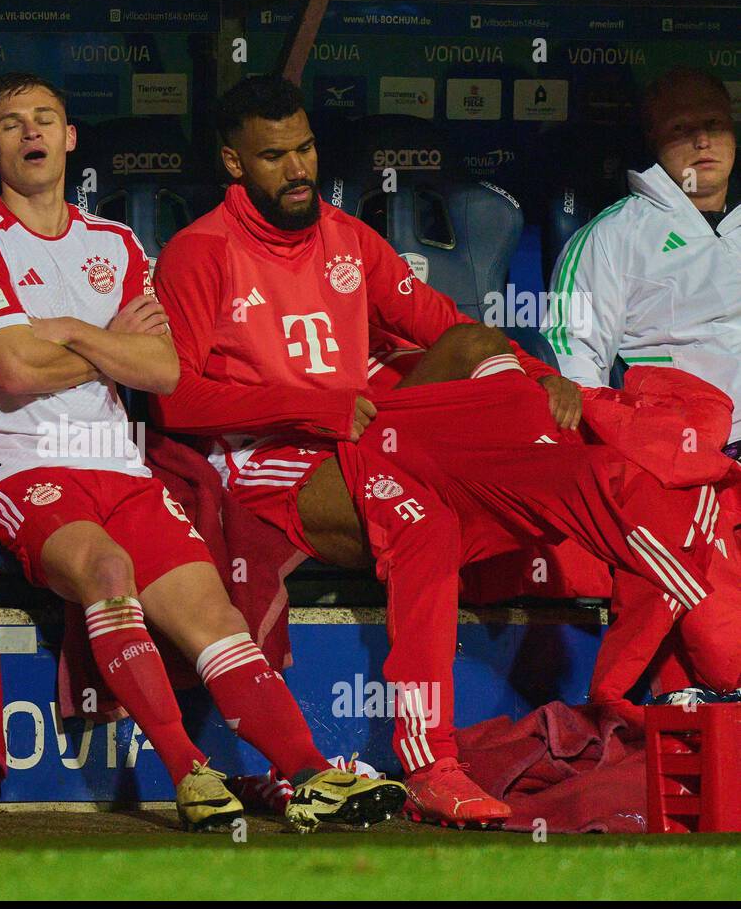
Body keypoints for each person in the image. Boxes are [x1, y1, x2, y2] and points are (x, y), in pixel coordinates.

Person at [149, 74, 716, 828]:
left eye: (307, 149)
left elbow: (441, 326)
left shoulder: (348, 238)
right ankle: (431, 766)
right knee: (428, 527)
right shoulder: (199, 254)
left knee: (485, 349)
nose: (298, 170)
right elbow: (180, 401)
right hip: (270, 457)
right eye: (274, 157)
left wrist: (550, 384)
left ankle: (583, 474)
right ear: (233, 164)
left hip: (369, 434)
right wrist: (309, 405)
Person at [0, 72, 405, 833]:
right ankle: (190, 772)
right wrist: (117, 344)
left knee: (213, 614)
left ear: (70, 138)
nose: (33, 134)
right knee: (108, 570)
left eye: (47, 119)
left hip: (119, 464)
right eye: (15, 124)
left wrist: (77, 334)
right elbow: (15, 371)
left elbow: (166, 371)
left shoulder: (116, 244)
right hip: (21, 465)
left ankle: (312, 775)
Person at [543, 67, 740, 452]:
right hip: (696, 447)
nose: (702, 140)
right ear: (653, 137)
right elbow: (572, 354)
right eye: (681, 128)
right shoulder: (611, 236)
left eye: (713, 123)